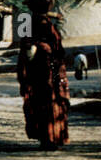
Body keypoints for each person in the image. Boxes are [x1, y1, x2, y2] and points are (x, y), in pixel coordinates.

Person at [17, 13, 70, 150]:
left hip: (52, 71)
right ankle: (46, 138)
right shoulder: (26, 19)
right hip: (38, 72)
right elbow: (24, 47)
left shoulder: (50, 24)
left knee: (52, 103)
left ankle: (52, 138)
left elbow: (59, 49)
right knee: (41, 104)